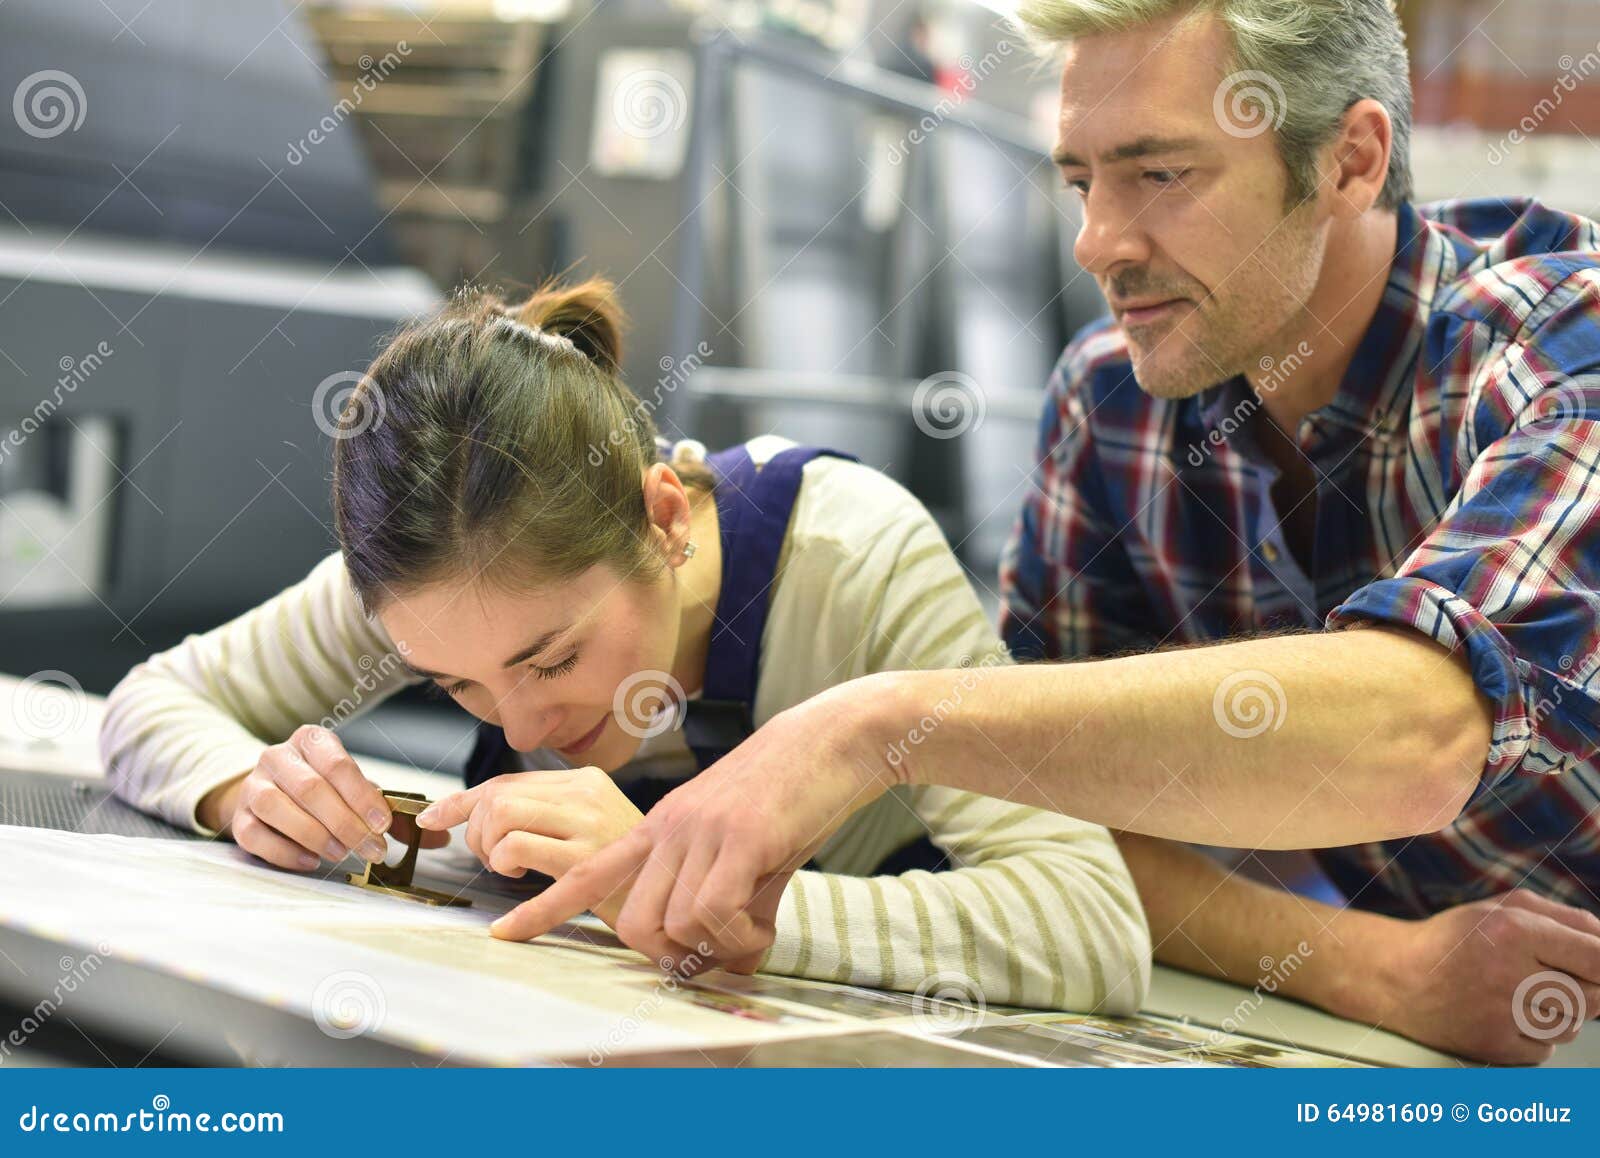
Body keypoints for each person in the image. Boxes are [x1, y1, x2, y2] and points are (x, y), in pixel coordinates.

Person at [501, 1, 1600, 1064]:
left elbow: (1423, 731)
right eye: (1080, 179)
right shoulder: (1114, 403)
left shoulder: (1561, 342)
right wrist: (1381, 969)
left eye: (1161, 173)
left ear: (1351, 161)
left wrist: (879, 719)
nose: (1096, 242)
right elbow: (1061, 820)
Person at [99, 278, 1151, 1014]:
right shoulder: (433, 579)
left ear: (662, 518)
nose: (521, 726)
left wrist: (725, 905)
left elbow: (1089, 925)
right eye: (451, 684)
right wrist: (244, 790)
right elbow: (151, 700)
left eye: (553, 659)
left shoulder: (854, 560)